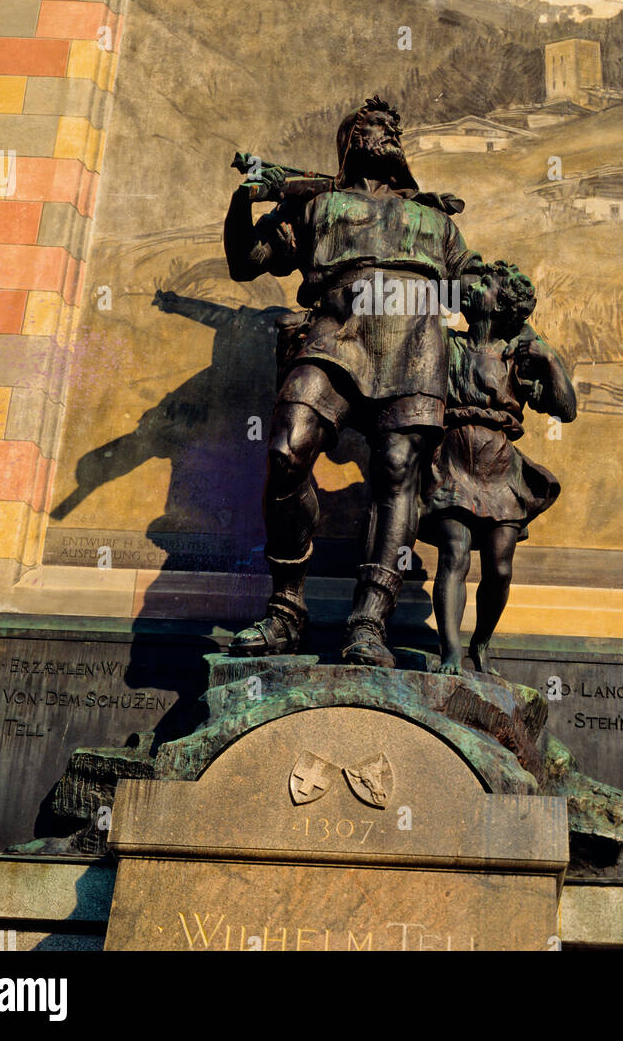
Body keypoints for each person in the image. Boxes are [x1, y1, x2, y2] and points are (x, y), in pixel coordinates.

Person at [223, 96, 483, 667]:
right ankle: (286, 612)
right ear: (351, 140)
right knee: (287, 450)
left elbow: (475, 288)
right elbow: (247, 260)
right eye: (375, 127)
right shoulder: (319, 205)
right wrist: (248, 196)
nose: (388, 133)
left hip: (415, 341)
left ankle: (368, 623)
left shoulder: (436, 220)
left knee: (397, 473)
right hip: (335, 330)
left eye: (393, 128)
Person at [420, 262, 577, 674]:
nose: (475, 287)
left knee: (500, 566)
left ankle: (481, 643)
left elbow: (567, 410)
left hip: (500, 466)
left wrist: (551, 360)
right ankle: (451, 650)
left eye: (486, 285)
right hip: (452, 460)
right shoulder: (446, 343)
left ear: (500, 306)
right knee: (454, 553)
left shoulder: (516, 358)